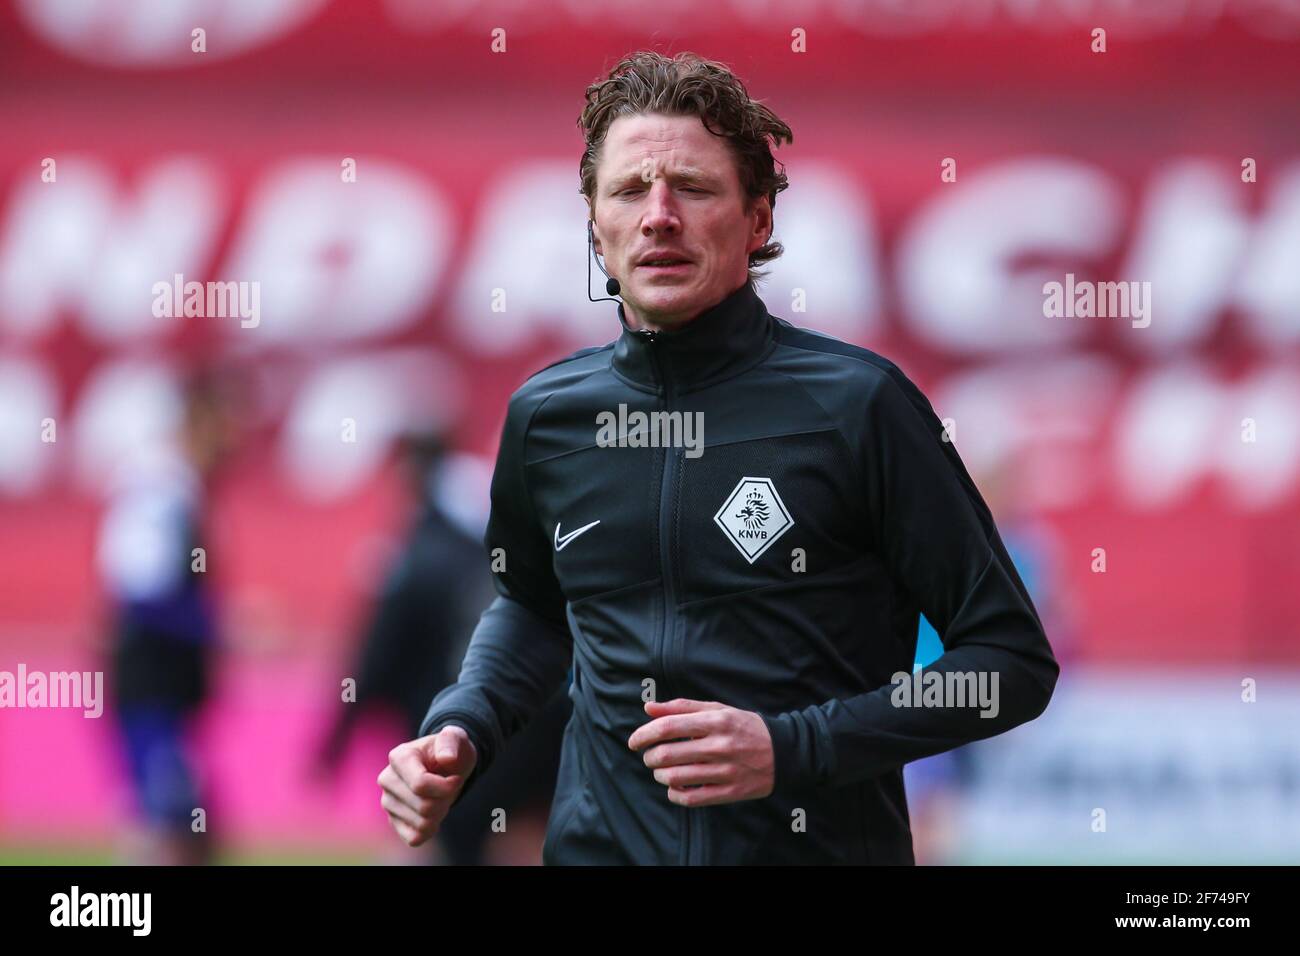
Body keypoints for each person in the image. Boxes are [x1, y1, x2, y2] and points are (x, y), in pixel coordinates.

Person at [378, 50, 1060, 865]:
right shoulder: (549, 417)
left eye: (693, 189)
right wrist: (464, 723)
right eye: (630, 191)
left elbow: (1010, 662)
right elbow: (530, 608)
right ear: (596, 223)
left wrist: (793, 748)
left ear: (759, 220)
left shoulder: (859, 408)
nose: (658, 215)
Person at [315, 430, 570, 864]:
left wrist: (336, 735)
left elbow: (378, 653)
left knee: (429, 837)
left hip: (456, 725)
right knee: (521, 835)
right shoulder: (490, 529)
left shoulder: (417, 552)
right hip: (533, 709)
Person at [97, 371, 236, 865]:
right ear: (199, 421)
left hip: (164, 689)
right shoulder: (160, 489)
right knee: (169, 825)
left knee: (188, 827)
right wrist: (223, 627)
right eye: (224, 423)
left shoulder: (179, 489)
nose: (232, 440)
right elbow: (143, 592)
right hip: (147, 687)